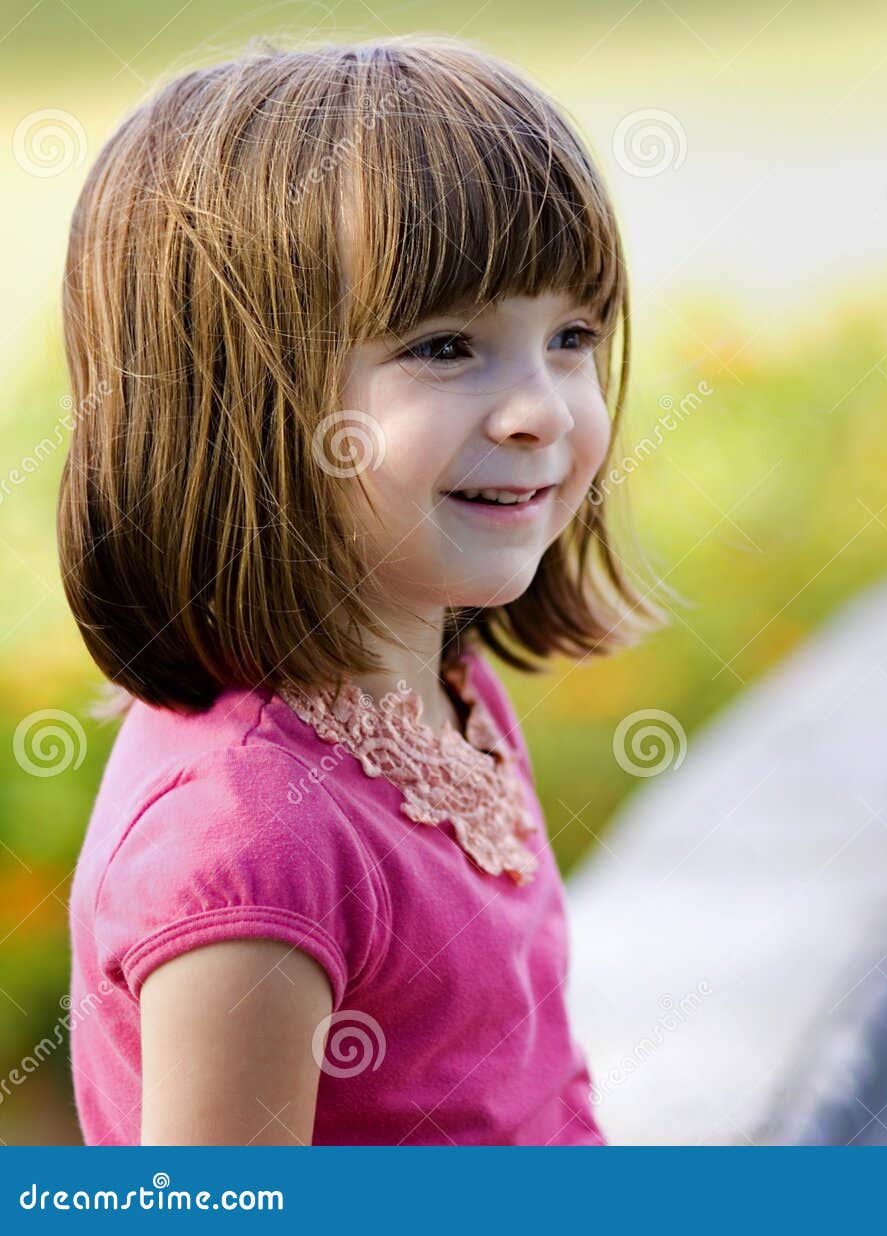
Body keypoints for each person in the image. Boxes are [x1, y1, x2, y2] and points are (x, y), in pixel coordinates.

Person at [57, 34, 662, 1145]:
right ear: (232, 402)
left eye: (570, 337)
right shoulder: (247, 847)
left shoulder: (440, 679)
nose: (541, 410)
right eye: (445, 347)